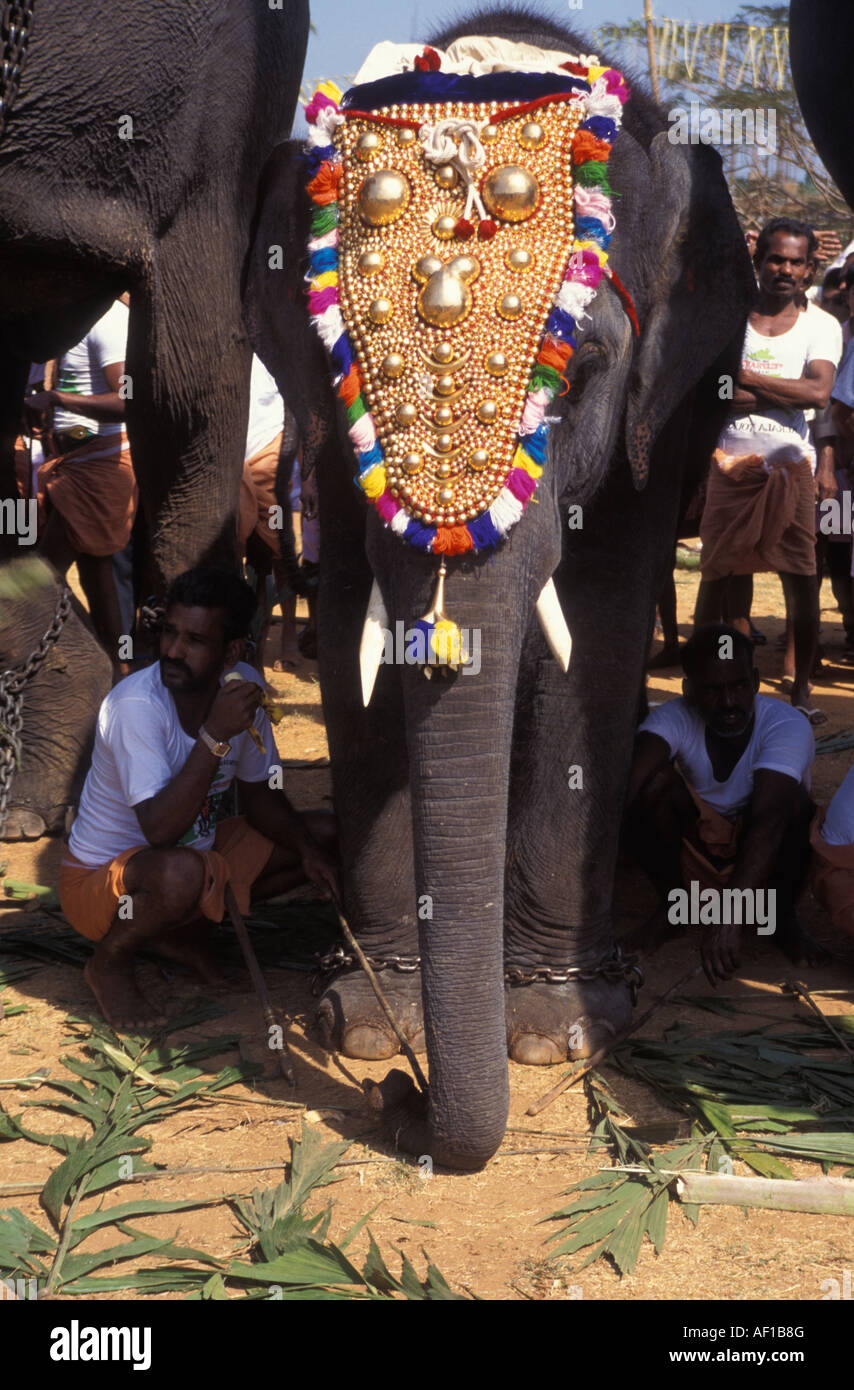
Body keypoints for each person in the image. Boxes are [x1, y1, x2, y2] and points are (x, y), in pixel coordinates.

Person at [58, 566, 339, 1031]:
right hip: (104, 885)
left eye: (194, 640)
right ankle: (108, 963)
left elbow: (259, 796)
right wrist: (214, 736)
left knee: (324, 833)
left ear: (231, 652)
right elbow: (160, 831)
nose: (172, 650)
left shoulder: (242, 688)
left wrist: (308, 853)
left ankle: (180, 936)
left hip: (195, 860)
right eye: (169, 632)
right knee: (181, 872)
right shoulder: (137, 707)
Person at [695, 218, 843, 725]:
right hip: (729, 466)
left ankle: (801, 688)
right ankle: (709, 681)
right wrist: (783, 387)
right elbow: (713, 393)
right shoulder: (730, 317)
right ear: (759, 262)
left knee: (801, 579)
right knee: (716, 577)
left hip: (791, 469)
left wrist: (746, 378)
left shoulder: (821, 325)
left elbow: (819, 393)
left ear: (809, 268)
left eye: (796, 262)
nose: (785, 269)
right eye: (776, 259)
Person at [623, 624, 823, 984]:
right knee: (651, 786)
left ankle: (779, 915)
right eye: (713, 690)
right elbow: (628, 788)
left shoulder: (787, 724)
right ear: (688, 690)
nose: (729, 702)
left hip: (764, 851)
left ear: (756, 681)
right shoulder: (672, 717)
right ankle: (673, 907)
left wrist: (728, 916)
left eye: (738, 686)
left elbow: (769, 821)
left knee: (791, 803)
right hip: (700, 853)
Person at [27, 296, 136, 681]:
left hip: (97, 468)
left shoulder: (106, 320)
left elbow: (128, 399)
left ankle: (84, 665)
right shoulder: (62, 324)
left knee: (37, 577)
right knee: (95, 571)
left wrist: (57, 399)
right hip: (63, 469)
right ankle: (119, 668)